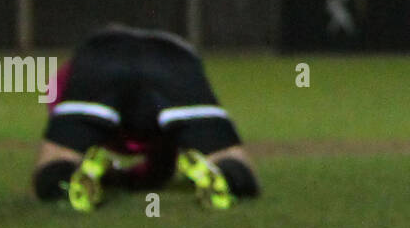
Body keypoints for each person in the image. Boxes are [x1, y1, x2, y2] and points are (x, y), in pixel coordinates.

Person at [33, 25, 259, 211]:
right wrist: (132, 178)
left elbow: (60, 107)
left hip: (101, 56)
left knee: (54, 168)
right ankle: (224, 178)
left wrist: (114, 176)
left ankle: (71, 183)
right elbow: (160, 168)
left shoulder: (68, 74)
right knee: (234, 165)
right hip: (175, 59)